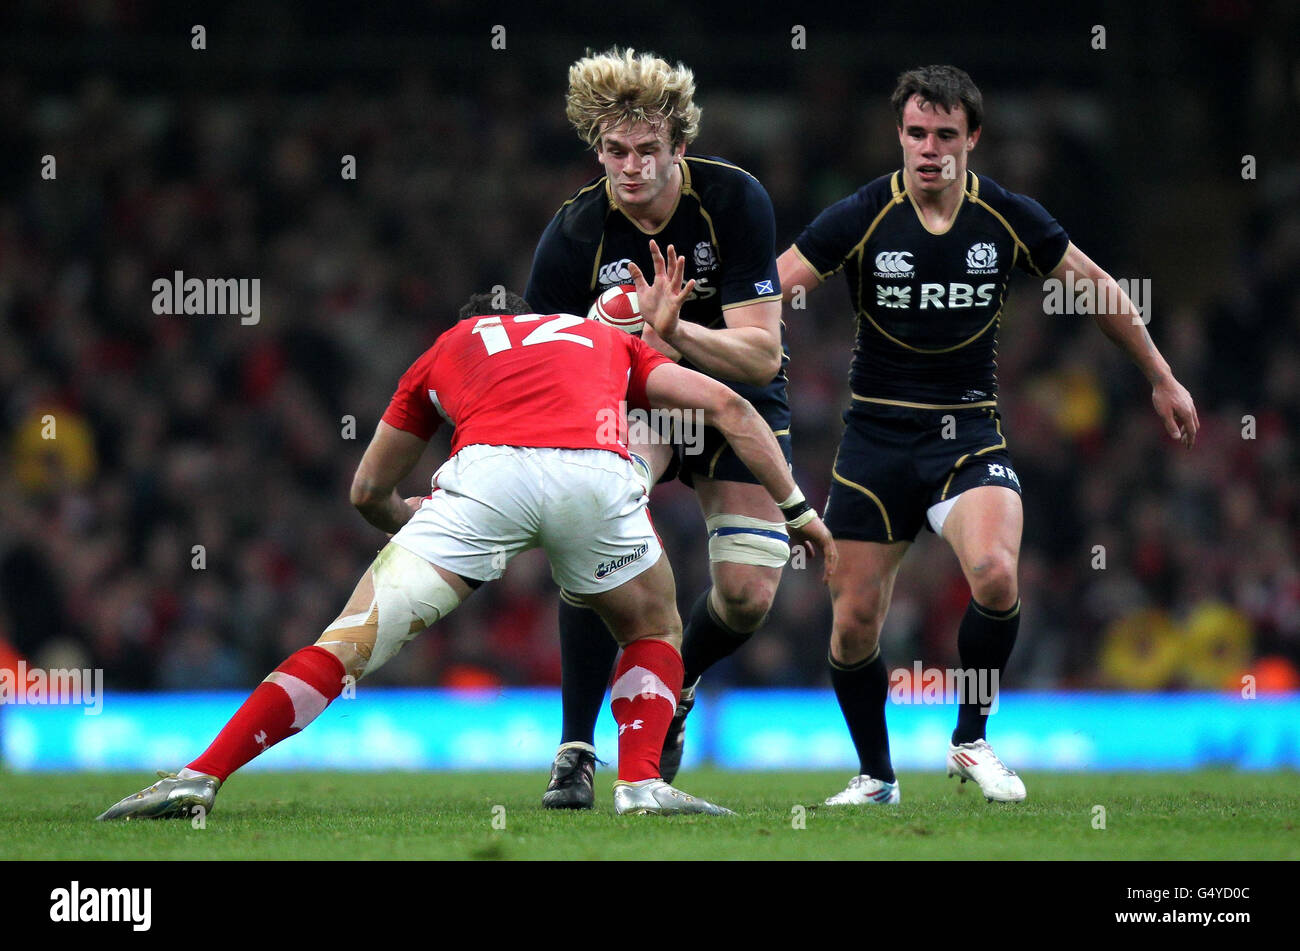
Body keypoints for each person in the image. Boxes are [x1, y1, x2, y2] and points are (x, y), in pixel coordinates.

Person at [97, 248, 835, 821]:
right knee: (654, 621)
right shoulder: (594, 335)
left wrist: (409, 517)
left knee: (346, 644)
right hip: (593, 472)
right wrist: (798, 511)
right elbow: (735, 409)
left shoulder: (445, 349)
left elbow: (367, 490)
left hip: (484, 476)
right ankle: (640, 781)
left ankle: (200, 775)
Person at [777, 65, 1198, 805]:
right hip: (874, 443)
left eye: (945, 134)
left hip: (967, 434)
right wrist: (690, 335)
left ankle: (970, 738)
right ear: (899, 136)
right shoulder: (861, 215)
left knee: (999, 575)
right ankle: (876, 776)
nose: (928, 148)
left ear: (973, 137)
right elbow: (772, 288)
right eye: (915, 133)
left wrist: (1160, 374)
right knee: (852, 627)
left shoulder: (1005, 216)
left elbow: (1095, 285)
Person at [525, 47, 792, 807]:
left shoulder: (735, 201)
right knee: (593, 524)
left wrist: (672, 332)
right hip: (638, 401)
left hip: (732, 390)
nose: (632, 166)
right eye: (616, 150)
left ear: (681, 144)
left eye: (649, 150)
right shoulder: (574, 235)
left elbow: (762, 351)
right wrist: (624, 349)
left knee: (745, 595)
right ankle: (575, 750)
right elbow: (542, 361)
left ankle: (675, 683)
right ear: (596, 148)